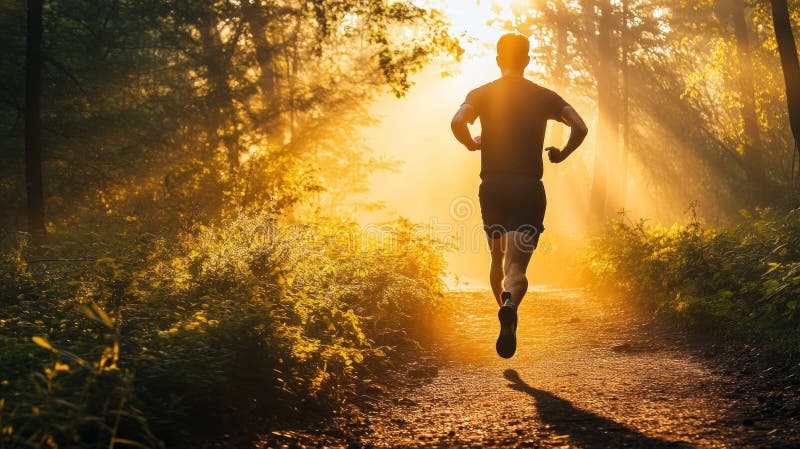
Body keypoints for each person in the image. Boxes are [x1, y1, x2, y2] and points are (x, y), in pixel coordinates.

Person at [450, 33, 588, 359]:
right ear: (527, 60)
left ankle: (505, 311)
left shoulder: (481, 94)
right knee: (517, 268)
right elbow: (580, 127)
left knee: (496, 259)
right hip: (528, 189)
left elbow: (458, 121)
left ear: (499, 60)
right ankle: (510, 304)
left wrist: (472, 143)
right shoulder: (544, 97)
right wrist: (562, 153)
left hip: (493, 189)